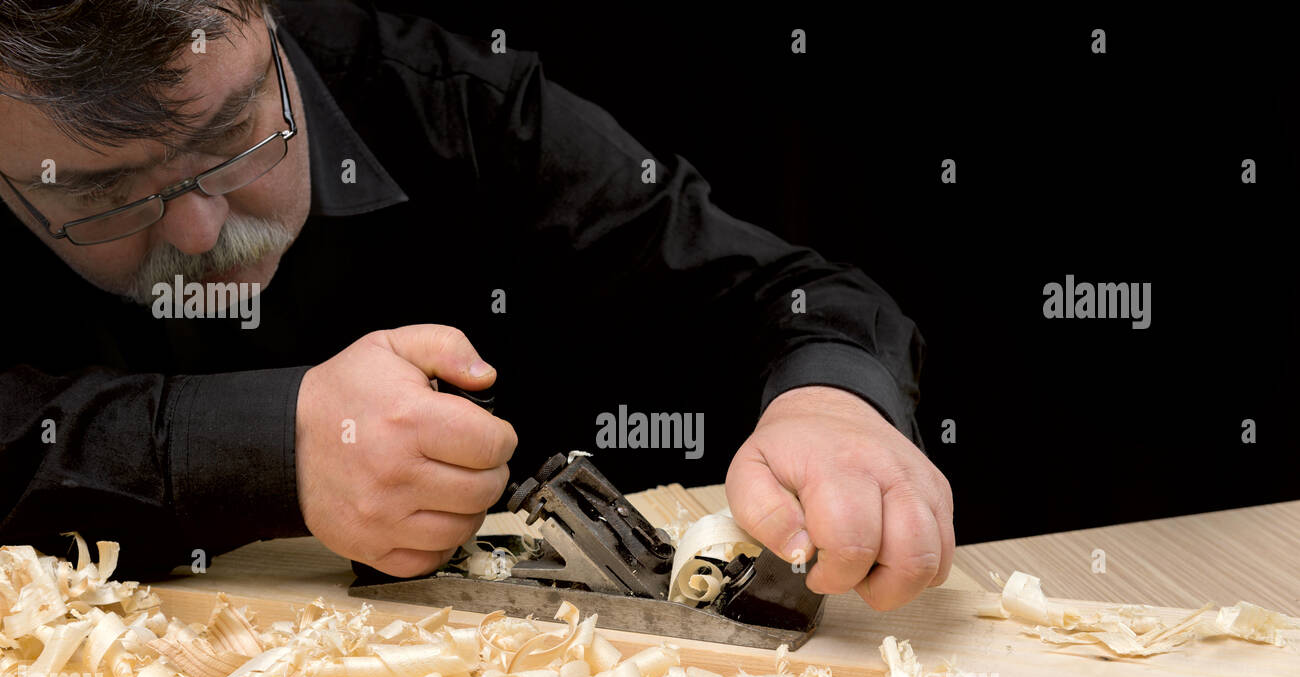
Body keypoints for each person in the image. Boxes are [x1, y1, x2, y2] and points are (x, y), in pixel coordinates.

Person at [0, 0, 953, 611]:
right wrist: (264, 447)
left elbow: (796, 294)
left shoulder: (462, 113)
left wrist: (835, 404)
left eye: (232, 132)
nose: (202, 230)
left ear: (267, 22)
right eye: (100, 193)